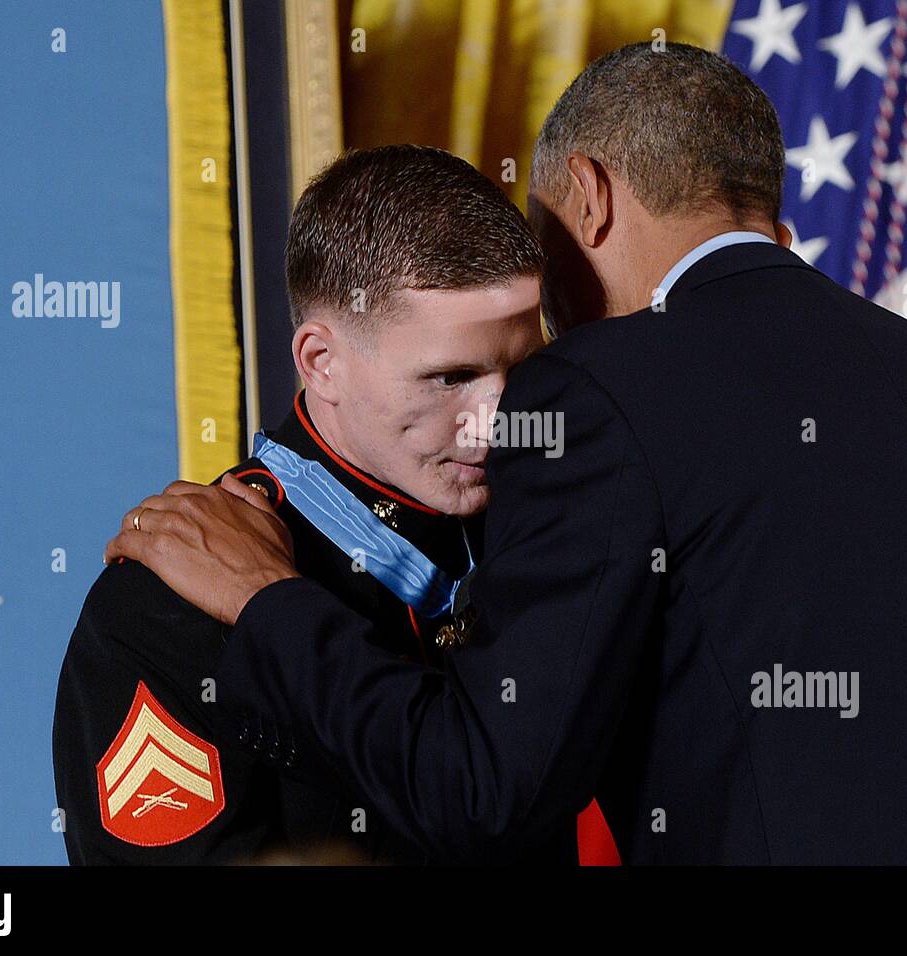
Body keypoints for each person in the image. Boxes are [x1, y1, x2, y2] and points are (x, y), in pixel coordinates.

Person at [107, 44, 907, 864]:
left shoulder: (606, 393)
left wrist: (268, 600)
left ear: (587, 194)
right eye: (450, 376)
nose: (502, 417)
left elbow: (484, 790)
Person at [53, 144, 562, 864]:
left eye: (522, 368)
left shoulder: (564, 525)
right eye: (451, 377)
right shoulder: (159, 607)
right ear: (322, 362)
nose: (499, 420)